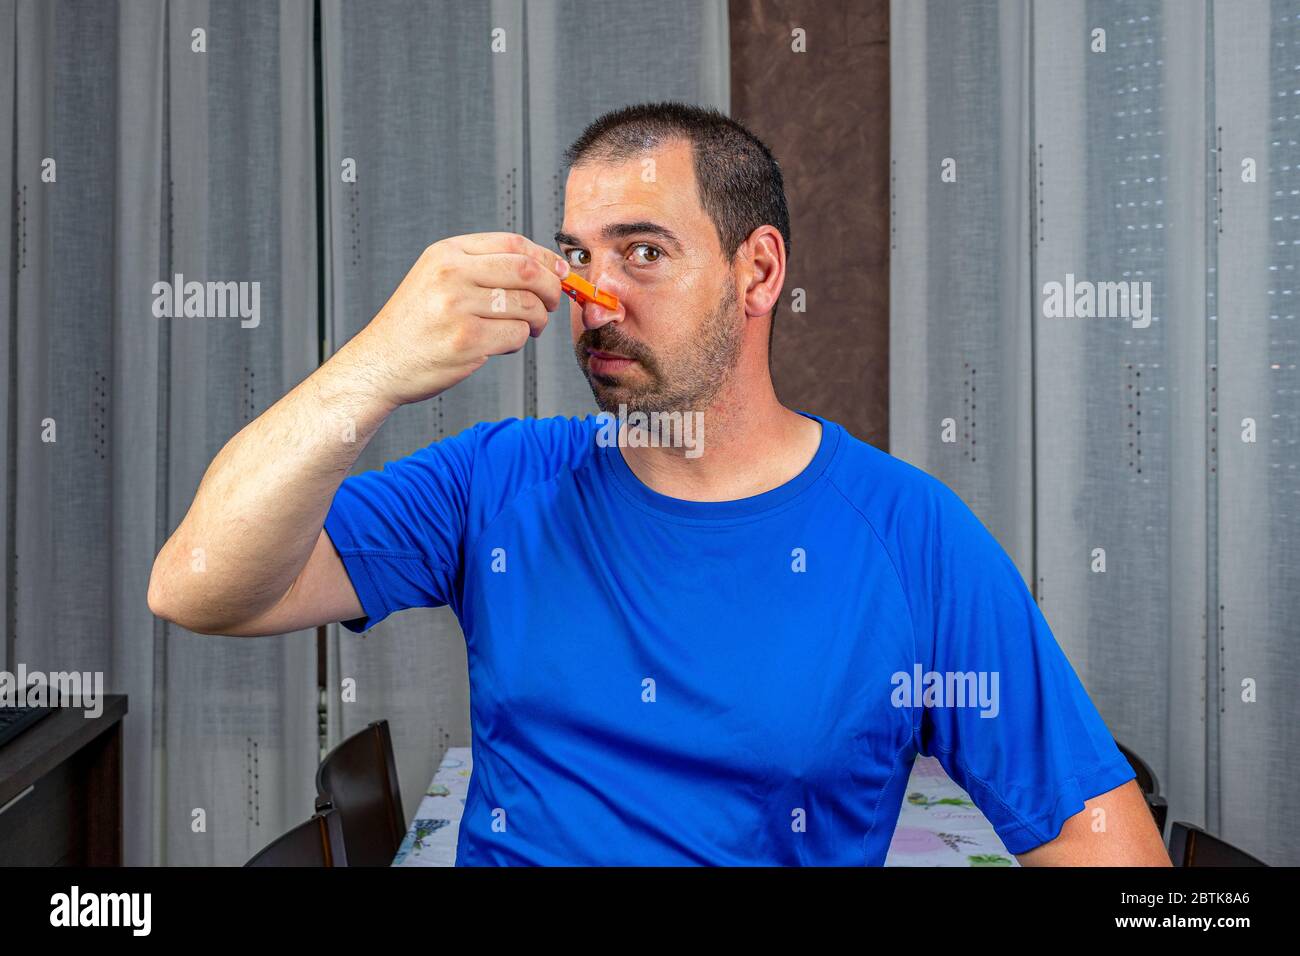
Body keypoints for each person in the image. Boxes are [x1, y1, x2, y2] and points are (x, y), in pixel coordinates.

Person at [148, 101, 1171, 866]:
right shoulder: (497, 480)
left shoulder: (912, 538)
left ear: (758, 272)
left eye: (643, 252)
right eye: (576, 258)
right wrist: (371, 366)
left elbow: (1105, 844)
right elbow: (198, 584)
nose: (595, 300)